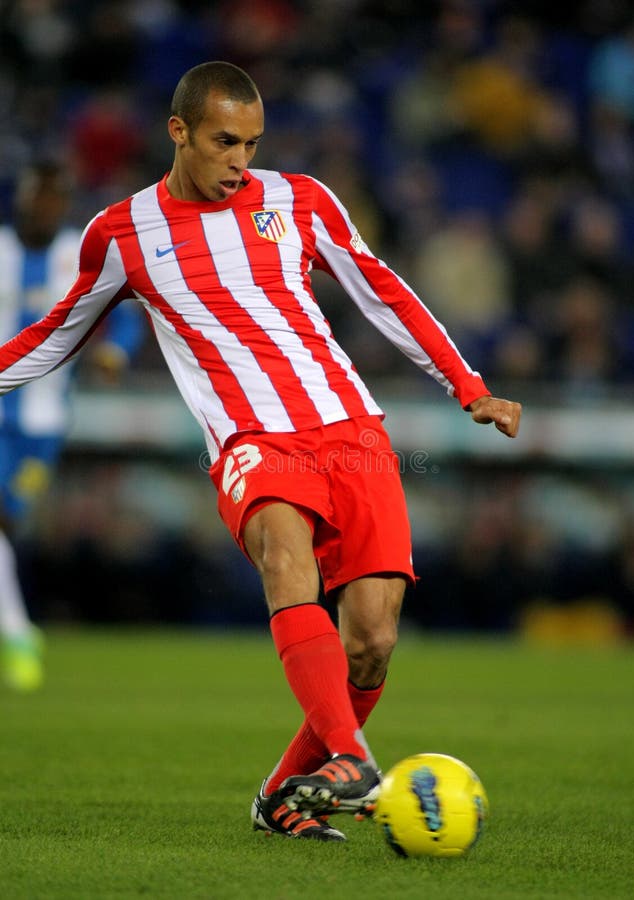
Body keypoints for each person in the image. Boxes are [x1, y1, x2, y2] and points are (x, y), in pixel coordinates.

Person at [0, 62, 521, 837]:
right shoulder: (120, 233)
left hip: (351, 429)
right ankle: (350, 757)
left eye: (251, 143)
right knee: (285, 553)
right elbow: (56, 334)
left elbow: (381, 287)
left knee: (372, 641)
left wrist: (465, 382)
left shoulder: (300, 200)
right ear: (178, 132)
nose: (240, 161)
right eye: (223, 142)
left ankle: (281, 796)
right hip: (252, 438)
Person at [0, 162, 143, 691]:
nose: (45, 209)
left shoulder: (75, 255)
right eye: (38, 198)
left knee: (8, 526)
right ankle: (17, 635)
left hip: (42, 425)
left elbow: (125, 314)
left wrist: (114, 351)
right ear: (21, 198)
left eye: (55, 201)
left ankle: (17, 631)